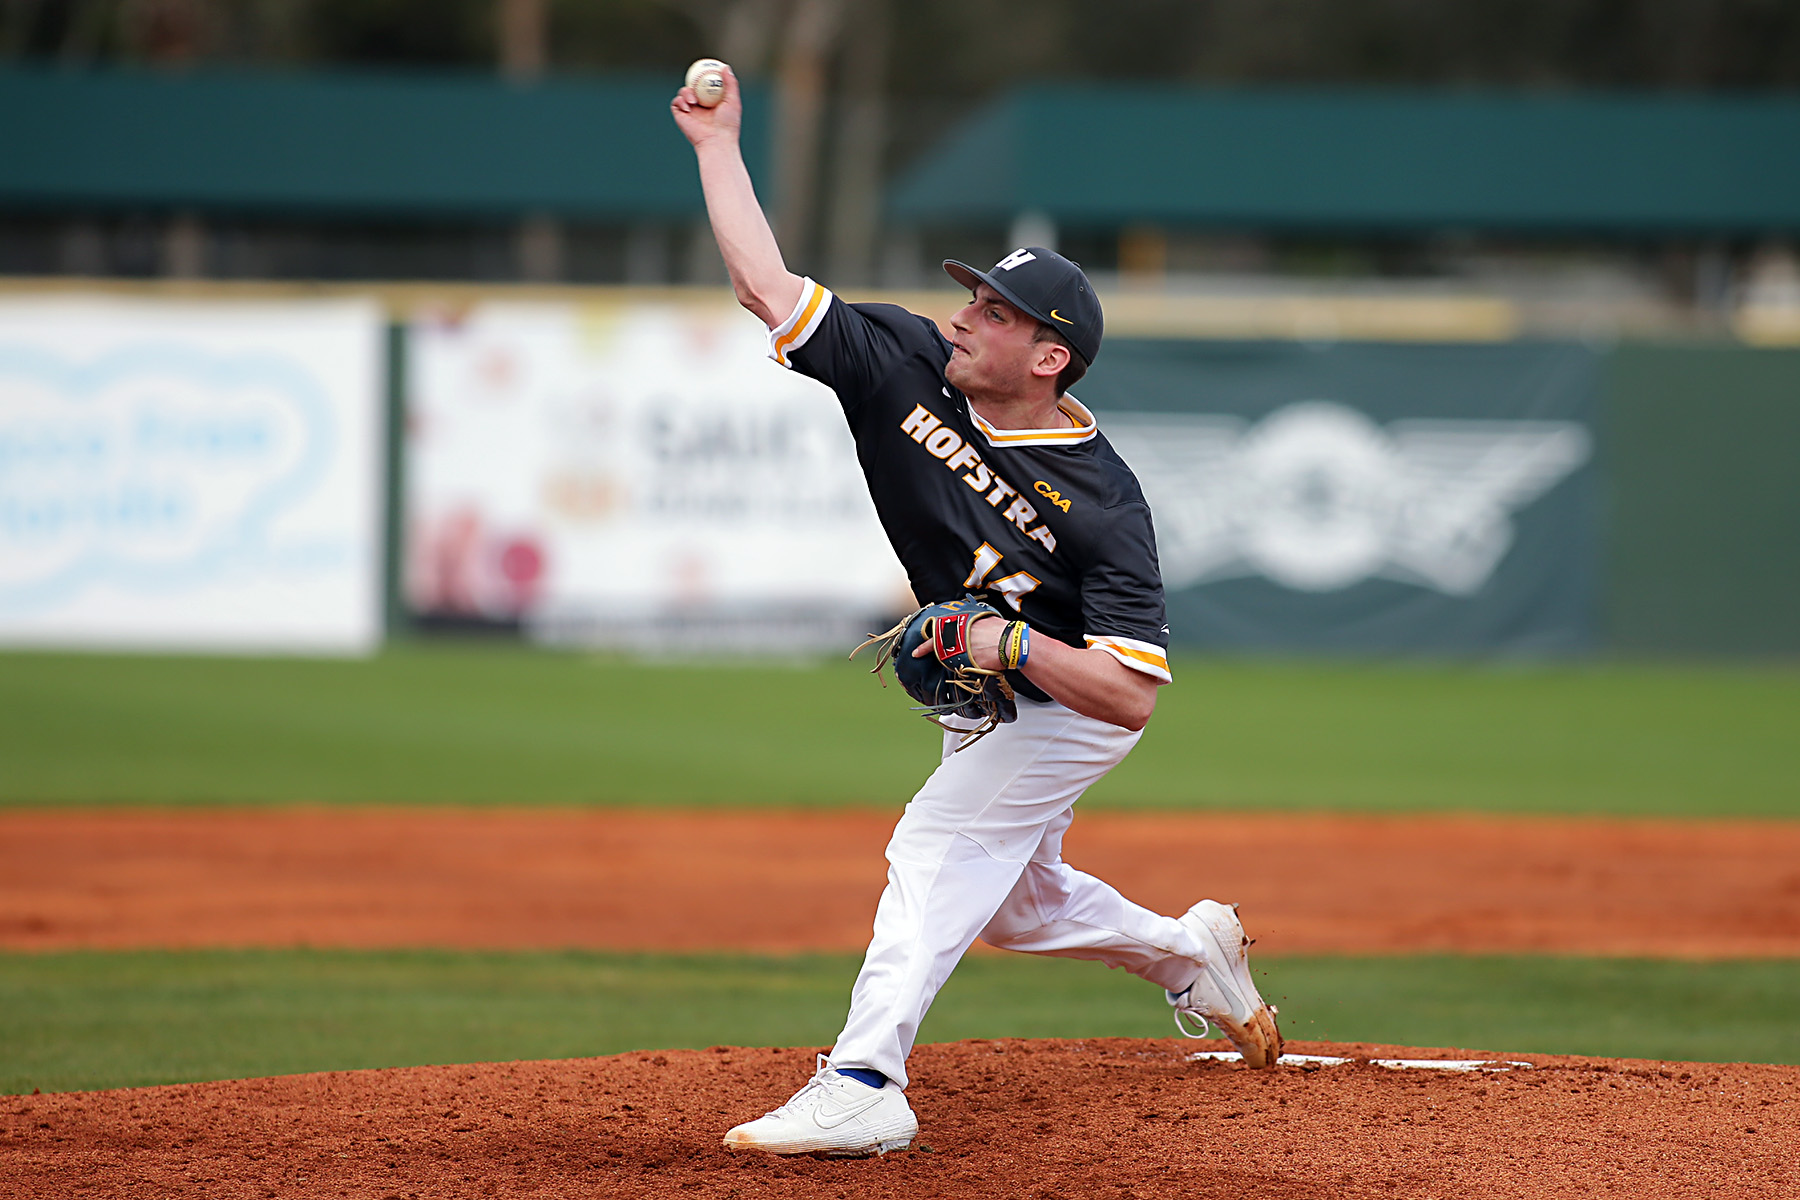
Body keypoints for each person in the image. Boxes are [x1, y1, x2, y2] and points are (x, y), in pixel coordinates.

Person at [671, 68, 1282, 1158]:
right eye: (974, 295)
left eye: (996, 314)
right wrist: (717, 143)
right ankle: (1194, 957)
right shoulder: (906, 361)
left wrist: (1009, 641)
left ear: (1049, 359)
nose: (966, 315)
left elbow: (1131, 696)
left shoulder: (1105, 503)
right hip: (987, 693)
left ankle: (865, 1078)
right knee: (1017, 907)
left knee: (939, 839)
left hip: (1066, 699)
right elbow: (765, 284)